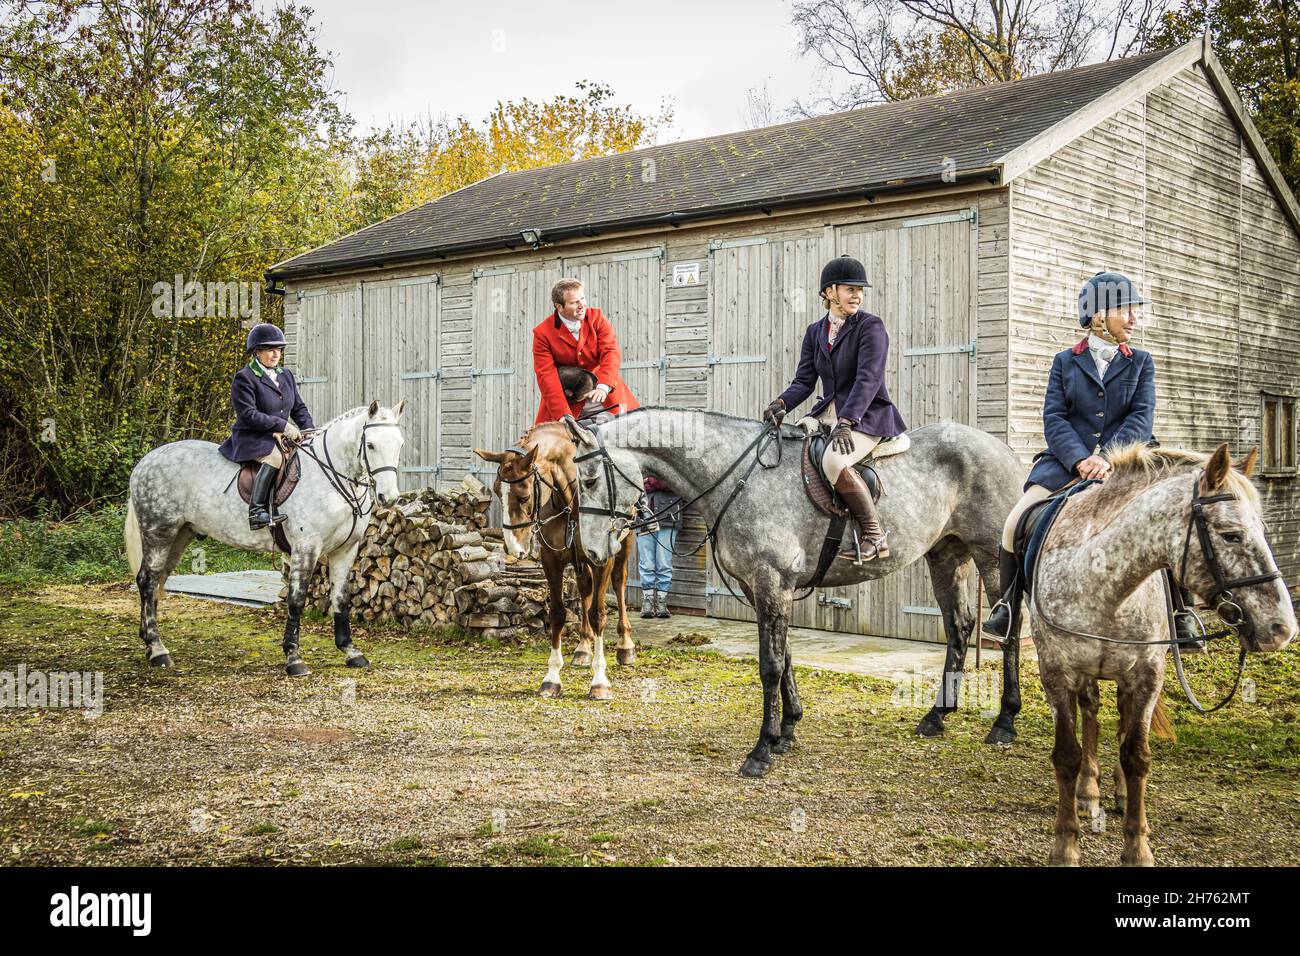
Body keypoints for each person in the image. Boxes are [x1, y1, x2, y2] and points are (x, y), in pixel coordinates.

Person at [982, 271, 1195, 642]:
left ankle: (1181, 610)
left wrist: (1109, 459)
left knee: (1173, 517)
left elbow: (1141, 418)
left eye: (1134, 310)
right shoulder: (1065, 361)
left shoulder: (1142, 362)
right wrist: (1081, 460)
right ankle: (1009, 609)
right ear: (1099, 316)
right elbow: (1055, 417)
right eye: (1126, 309)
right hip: (1066, 462)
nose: (1134, 318)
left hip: (1129, 462)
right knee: (1014, 522)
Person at [762, 255, 906, 563]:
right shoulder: (816, 331)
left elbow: (868, 379)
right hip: (827, 414)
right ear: (830, 292)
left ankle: (875, 536)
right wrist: (781, 403)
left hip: (866, 417)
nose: (857, 295)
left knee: (833, 462)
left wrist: (846, 421)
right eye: (850, 289)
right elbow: (804, 381)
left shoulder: (871, 327)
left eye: (860, 290)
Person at [218, 323, 315, 531]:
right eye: (270, 349)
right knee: (275, 457)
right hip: (252, 436)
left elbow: (299, 408)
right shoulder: (244, 378)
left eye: (279, 349)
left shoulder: (285, 375)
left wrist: (311, 432)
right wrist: (282, 425)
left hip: (280, 436)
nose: (275, 354)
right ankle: (256, 511)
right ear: (256, 352)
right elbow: (249, 415)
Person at [532, 278, 639, 425]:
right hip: (567, 402)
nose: (582, 305)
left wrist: (603, 387)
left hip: (605, 394)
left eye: (582, 298)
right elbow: (546, 375)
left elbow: (610, 353)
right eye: (574, 302)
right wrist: (562, 414)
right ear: (559, 307)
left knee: (627, 437)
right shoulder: (542, 333)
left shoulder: (598, 319)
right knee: (555, 444)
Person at [637, 476, 683, 619]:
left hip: (668, 514)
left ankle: (662, 601)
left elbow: (676, 482)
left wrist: (651, 482)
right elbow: (635, 482)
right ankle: (648, 600)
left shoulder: (669, 459)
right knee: (646, 562)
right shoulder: (642, 458)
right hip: (643, 516)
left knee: (664, 562)